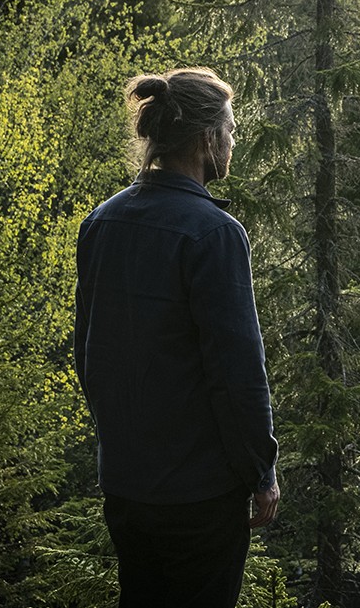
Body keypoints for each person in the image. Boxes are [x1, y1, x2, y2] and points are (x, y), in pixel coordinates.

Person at [74, 67, 279, 608]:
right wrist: (261, 471)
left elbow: (87, 356)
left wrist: (121, 445)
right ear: (208, 138)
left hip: (125, 488)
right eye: (231, 131)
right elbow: (237, 376)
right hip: (199, 496)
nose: (234, 142)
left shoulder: (102, 222)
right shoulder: (214, 233)